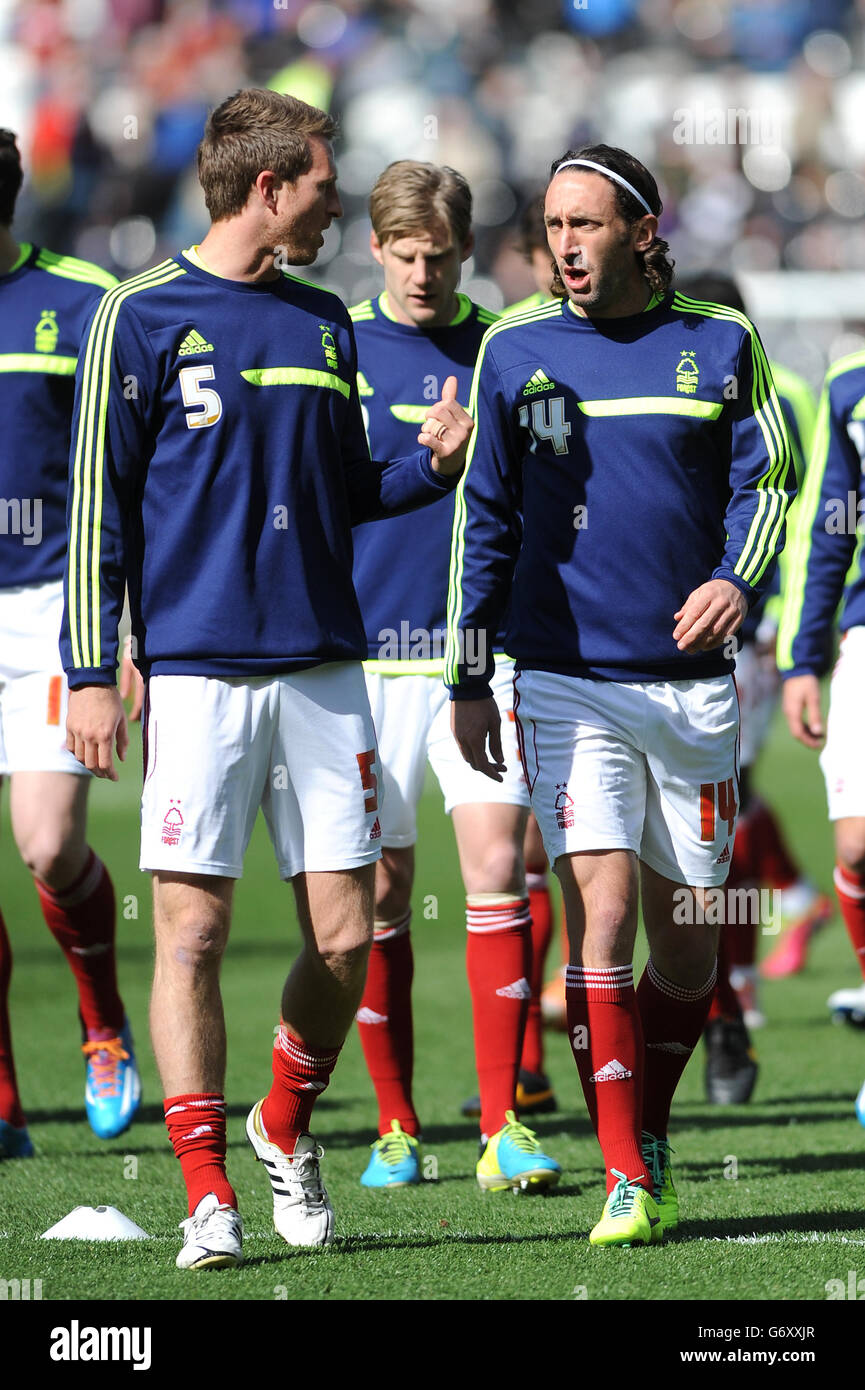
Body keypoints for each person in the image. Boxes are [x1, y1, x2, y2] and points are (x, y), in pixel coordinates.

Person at [60, 89, 473, 1268]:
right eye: (324, 190)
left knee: (351, 933)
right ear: (269, 188)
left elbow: (351, 491)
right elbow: (94, 513)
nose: (335, 208)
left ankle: (282, 1124)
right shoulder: (136, 318)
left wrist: (429, 466)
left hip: (323, 668)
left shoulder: (321, 325)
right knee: (190, 934)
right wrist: (93, 670)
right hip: (192, 673)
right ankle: (205, 1190)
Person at [446, 144, 795, 1245]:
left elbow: (771, 478)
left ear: (643, 232)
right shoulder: (514, 348)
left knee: (685, 944)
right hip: (562, 679)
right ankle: (623, 1176)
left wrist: (736, 576)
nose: (564, 246)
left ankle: (642, 1126)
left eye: (586, 226)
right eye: (552, 226)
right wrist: (466, 670)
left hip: (692, 691)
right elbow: (483, 522)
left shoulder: (721, 341)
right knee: (595, 917)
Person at [349, 160, 561, 1192]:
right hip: (365, 657)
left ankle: (500, 1123)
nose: (424, 273)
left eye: (440, 254)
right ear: (376, 248)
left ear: (467, 251)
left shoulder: (506, 351)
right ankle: (394, 1124)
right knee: (382, 892)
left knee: (494, 872)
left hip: (481, 656)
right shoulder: (334, 344)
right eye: (405, 253)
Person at [0, 128, 141, 1159]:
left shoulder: (87, 302)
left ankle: (101, 1020)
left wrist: (123, 628)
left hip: (55, 608)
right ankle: (3, 1095)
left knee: (50, 844)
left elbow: (130, 480)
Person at [677, 272, 831, 1105]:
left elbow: (801, 510)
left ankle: (731, 998)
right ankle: (774, 927)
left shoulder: (786, 393)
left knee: (717, 813)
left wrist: (780, 625)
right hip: (646, 641)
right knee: (668, 835)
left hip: (747, 637)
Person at [778, 348, 865, 1125]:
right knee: (856, 847)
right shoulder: (848, 385)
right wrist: (802, 658)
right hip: (862, 639)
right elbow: (821, 526)